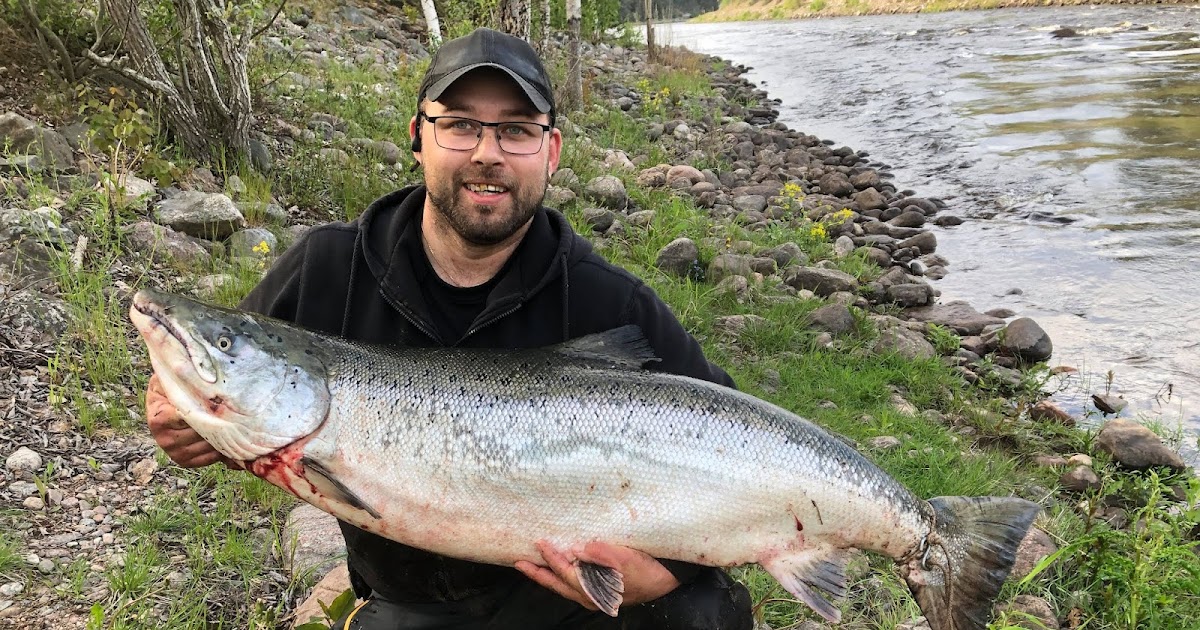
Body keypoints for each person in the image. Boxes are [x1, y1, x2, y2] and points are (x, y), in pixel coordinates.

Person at [145, 27, 753, 630]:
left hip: (573, 605)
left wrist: (667, 575)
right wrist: (175, 409)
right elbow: (238, 375)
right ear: (418, 138)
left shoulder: (609, 299)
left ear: (552, 151)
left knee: (703, 612)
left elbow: (740, 447)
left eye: (516, 130)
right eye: (460, 124)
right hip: (416, 605)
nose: (487, 152)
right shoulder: (328, 268)